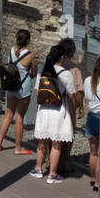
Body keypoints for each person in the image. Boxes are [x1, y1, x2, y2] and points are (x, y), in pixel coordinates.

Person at [30, 39, 78, 184]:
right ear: (62, 57)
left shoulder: (43, 71)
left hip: (44, 110)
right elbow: (71, 95)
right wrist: (75, 108)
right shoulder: (66, 74)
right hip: (59, 111)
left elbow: (38, 93)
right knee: (56, 144)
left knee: (42, 142)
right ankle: (52, 174)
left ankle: (38, 169)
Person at [0, 29, 36, 156]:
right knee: (19, 117)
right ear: (28, 40)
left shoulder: (12, 50)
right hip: (23, 89)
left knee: (8, 115)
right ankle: (18, 148)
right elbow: (34, 74)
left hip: (11, 86)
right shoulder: (30, 55)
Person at [85, 58, 100, 191]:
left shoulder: (88, 81)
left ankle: (92, 178)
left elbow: (87, 97)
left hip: (92, 116)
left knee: (93, 152)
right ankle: (98, 181)